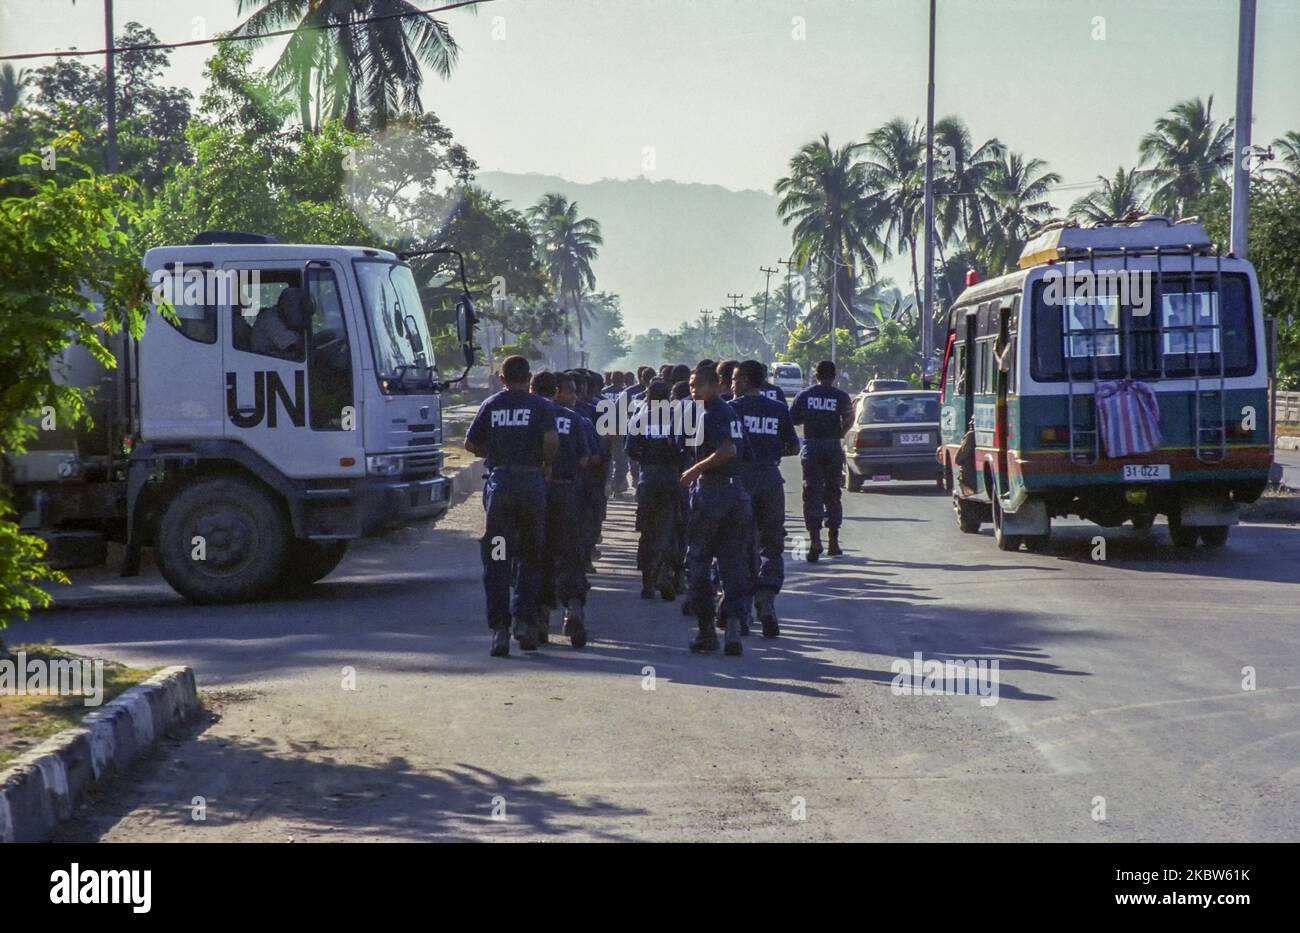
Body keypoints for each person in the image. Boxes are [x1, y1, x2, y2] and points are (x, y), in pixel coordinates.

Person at [464, 355, 558, 657]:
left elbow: (470, 444)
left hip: (500, 487)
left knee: (497, 558)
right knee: (530, 557)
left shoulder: (491, 405)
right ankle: (525, 624)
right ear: (529, 379)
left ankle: (499, 631)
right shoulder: (541, 406)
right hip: (531, 486)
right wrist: (544, 464)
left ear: (501, 379)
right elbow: (552, 441)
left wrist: (496, 451)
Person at [680, 363, 752, 656]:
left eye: (698, 385)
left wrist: (694, 471)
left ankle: (708, 632)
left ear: (715, 386)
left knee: (697, 562)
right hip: (736, 493)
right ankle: (733, 628)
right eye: (691, 385)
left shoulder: (713, 414)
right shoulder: (731, 413)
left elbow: (729, 451)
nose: (693, 390)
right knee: (732, 563)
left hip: (713, 492)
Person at [730, 360, 799, 636]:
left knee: (738, 545)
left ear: (746, 380)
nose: (732, 385)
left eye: (735, 379)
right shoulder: (779, 409)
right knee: (771, 545)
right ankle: (767, 601)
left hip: (740, 483)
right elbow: (793, 446)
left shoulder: (731, 410)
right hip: (771, 482)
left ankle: (742, 609)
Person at [531, 370, 592, 647]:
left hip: (537, 491)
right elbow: (586, 458)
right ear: (557, 391)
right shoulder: (575, 419)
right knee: (570, 553)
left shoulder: (532, 417)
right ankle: (574, 608)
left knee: (537, 554)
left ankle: (540, 620)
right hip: (567, 492)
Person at [626, 378, 685, 600]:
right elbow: (685, 449)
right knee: (669, 528)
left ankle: (647, 582)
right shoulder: (678, 419)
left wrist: (647, 458)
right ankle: (665, 572)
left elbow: (630, 449)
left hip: (648, 479)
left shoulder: (640, 418)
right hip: (671, 479)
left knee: (647, 530)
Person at [789, 359, 854, 562]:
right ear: (834, 376)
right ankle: (833, 542)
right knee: (833, 493)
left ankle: (815, 540)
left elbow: (793, 418)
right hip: (833, 446)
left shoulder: (805, 395)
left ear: (815, 375)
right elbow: (849, 418)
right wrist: (839, 433)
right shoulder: (841, 397)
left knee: (812, 493)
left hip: (812, 446)